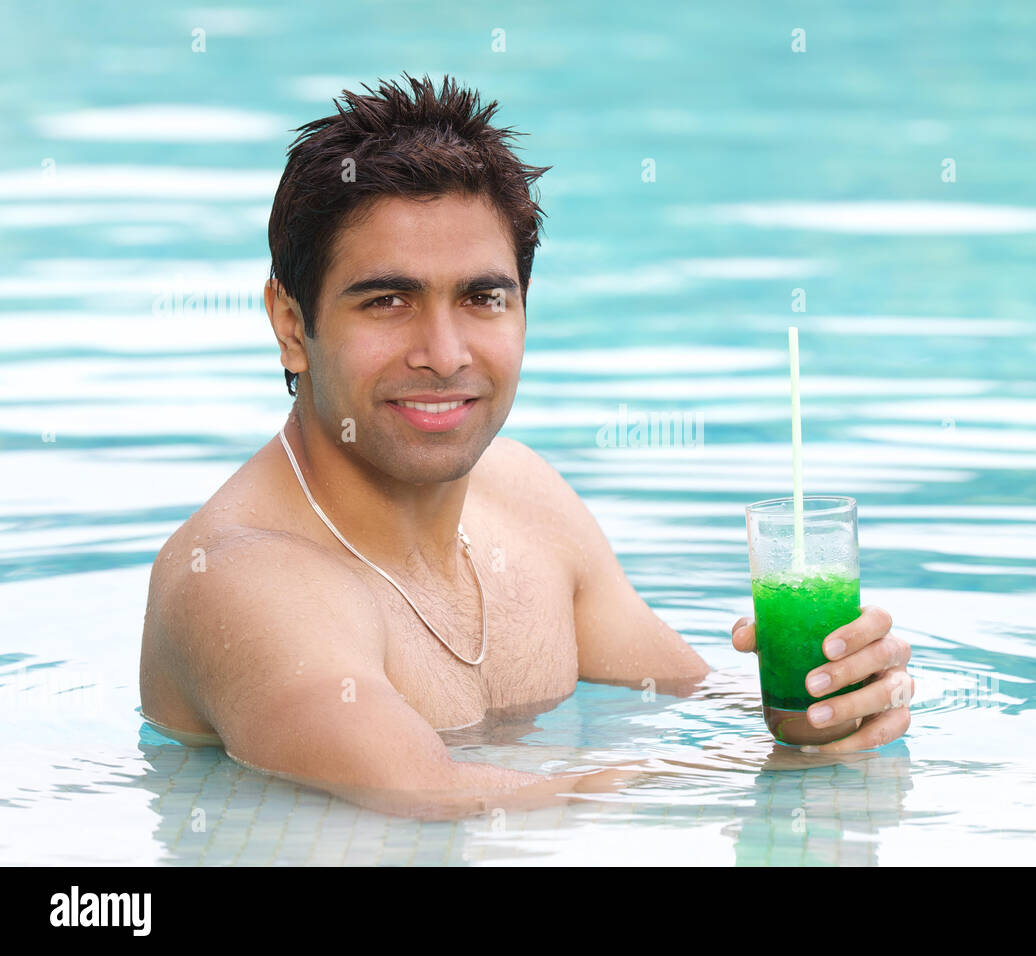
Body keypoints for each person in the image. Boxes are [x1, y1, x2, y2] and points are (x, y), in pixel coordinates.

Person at [138, 72, 913, 820]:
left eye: (482, 298)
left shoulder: (522, 494)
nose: (444, 354)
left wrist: (831, 703)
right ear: (290, 324)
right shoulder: (240, 580)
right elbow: (431, 798)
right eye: (388, 300)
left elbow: (695, 697)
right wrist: (772, 767)